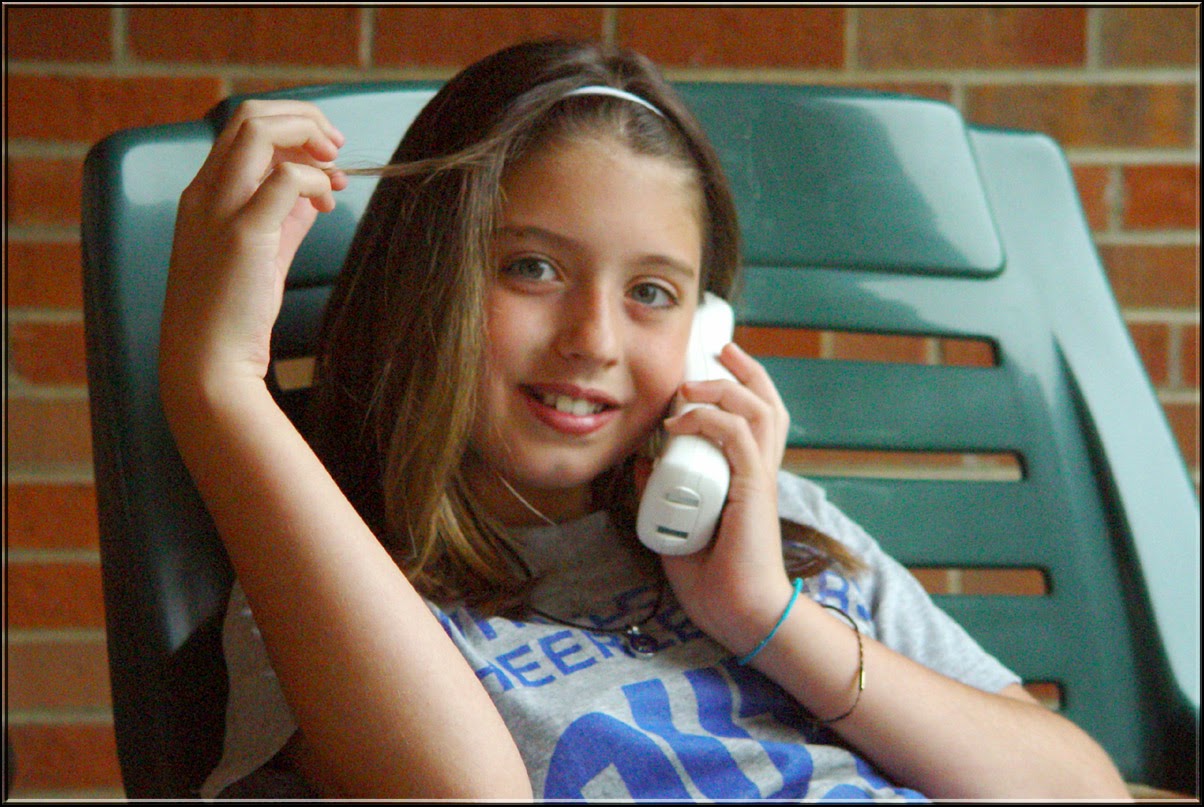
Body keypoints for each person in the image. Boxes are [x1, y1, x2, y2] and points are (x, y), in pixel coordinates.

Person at [158, 39, 1130, 800]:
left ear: (708, 330)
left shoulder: (777, 529)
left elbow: (1082, 791)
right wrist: (220, 384)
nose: (594, 340)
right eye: (533, 268)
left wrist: (765, 616)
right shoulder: (327, 583)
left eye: (652, 293)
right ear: (427, 280)